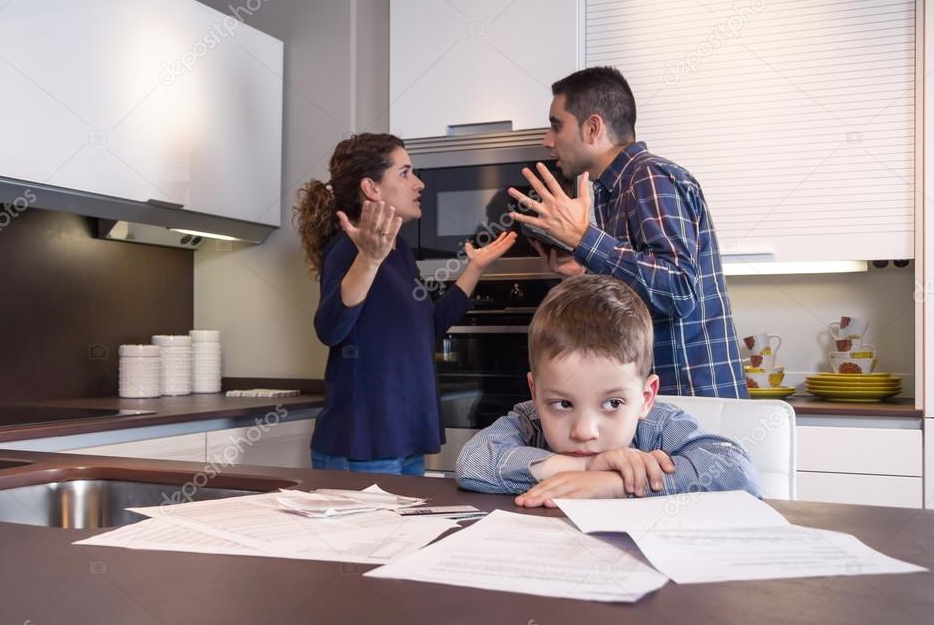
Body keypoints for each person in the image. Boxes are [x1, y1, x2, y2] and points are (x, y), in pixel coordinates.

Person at [508, 67, 747, 398]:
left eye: (556, 125)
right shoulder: (611, 191)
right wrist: (585, 269)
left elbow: (678, 289)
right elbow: (645, 291)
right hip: (661, 400)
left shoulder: (649, 176)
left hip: (692, 400)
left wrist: (583, 239)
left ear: (593, 128)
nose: (547, 140)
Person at [294, 133, 516, 475]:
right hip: (364, 447)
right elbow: (330, 328)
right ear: (372, 188)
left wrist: (475, 268)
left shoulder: (399, 254)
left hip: (405, 443)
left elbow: (429, 326)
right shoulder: (349, 249)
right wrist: (368, 260)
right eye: (405, 173)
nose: (418, 183)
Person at [455, 274, 761, 505]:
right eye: (562, 404)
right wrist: (585, 466)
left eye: (613, 403)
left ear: (646, 398)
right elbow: (472, 463)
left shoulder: (660, 425)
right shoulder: (528, 419)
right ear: (535, 393)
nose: (585, 431)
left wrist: (614, 484)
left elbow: (737, 472)